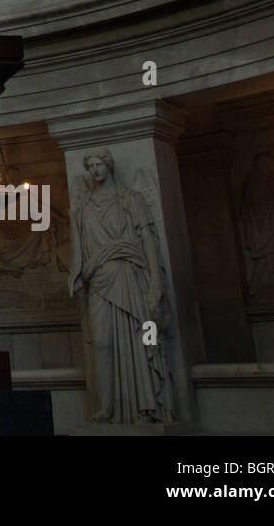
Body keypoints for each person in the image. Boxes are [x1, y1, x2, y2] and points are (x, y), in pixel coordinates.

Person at [70, 148, 173, 423]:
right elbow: (80, 246)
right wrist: (76, 273)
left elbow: (148, 238)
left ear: (109, 165)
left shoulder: (130, 198)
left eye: (99, 164)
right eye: (90, 166)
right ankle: (107, 406)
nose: (95, 170)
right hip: (99, 279)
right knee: (101, 341)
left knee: (139, 338)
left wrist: (156, 282)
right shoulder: (84, 207)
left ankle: (145, 405)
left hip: (129, 273)